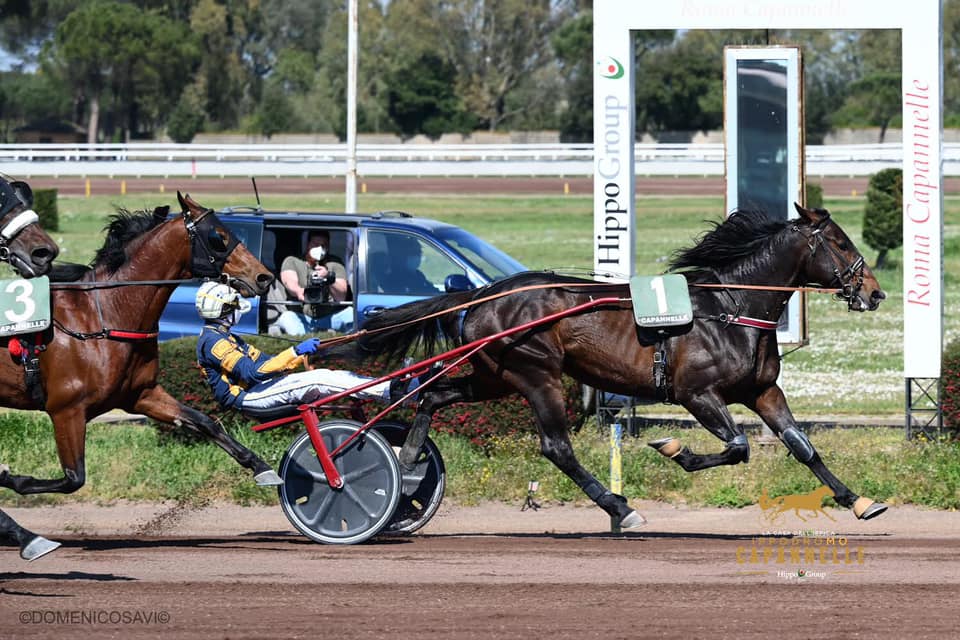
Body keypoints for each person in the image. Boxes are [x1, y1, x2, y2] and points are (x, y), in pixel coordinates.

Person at [195, 282, 416, 414]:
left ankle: (399, 387)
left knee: (329, 377)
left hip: (256, 389)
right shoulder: (215, 343)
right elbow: (253, 372)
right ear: (224, 311)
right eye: (234, 307)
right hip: (246, 397)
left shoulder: (225, 336)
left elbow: (265, 362)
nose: (238, 311)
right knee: (319, 379)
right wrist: (295, 352)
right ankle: (391, 391)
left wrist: (301, 357)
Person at [273, 230, 353, 335]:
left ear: (328, 247)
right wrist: (300, 292)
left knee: (351, 314)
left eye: (323, 245)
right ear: (308, 244)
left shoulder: (335, 263)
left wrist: (328, 277)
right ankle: (304, 341)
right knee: (287, 317)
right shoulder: (292, 261)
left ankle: (337, 340)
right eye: (315, 244)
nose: (319, 248)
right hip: (301, 315)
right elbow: (289, 282)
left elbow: (341, 296)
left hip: (330, 316)